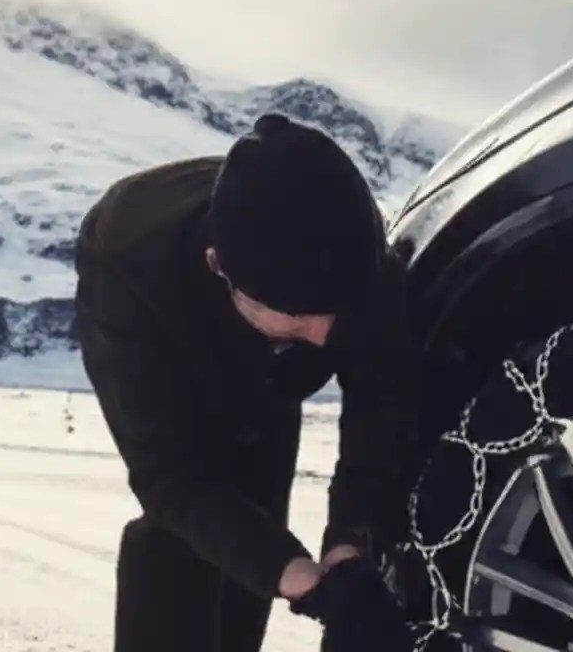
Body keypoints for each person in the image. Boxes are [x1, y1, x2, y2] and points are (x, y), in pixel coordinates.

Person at [73, 112, 421, 652]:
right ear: (220, 268)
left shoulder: (361, 263)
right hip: (173, 337)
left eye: (338, 315)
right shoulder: (130, 275)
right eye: (298, 318)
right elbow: (170, 477)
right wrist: (301, 582)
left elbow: (380, 404)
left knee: (259, 505)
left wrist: (347, 548)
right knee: (181, 536)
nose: (326, 336)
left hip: (266, 368)